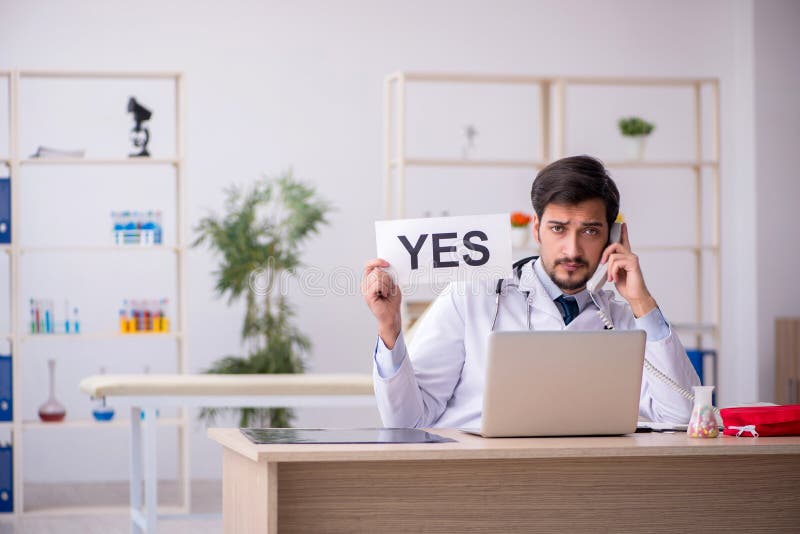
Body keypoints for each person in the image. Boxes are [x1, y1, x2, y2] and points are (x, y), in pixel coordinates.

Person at [361, 155, 700, 428]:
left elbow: (682, 415)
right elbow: (408, 421)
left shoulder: (621, 319)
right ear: (537, 229)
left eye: (590, 231)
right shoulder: (472, 297)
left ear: (613, 237)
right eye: (558, 228)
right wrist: (389, 327)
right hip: (475, 477)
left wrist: (642, 302)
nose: (572, 249)